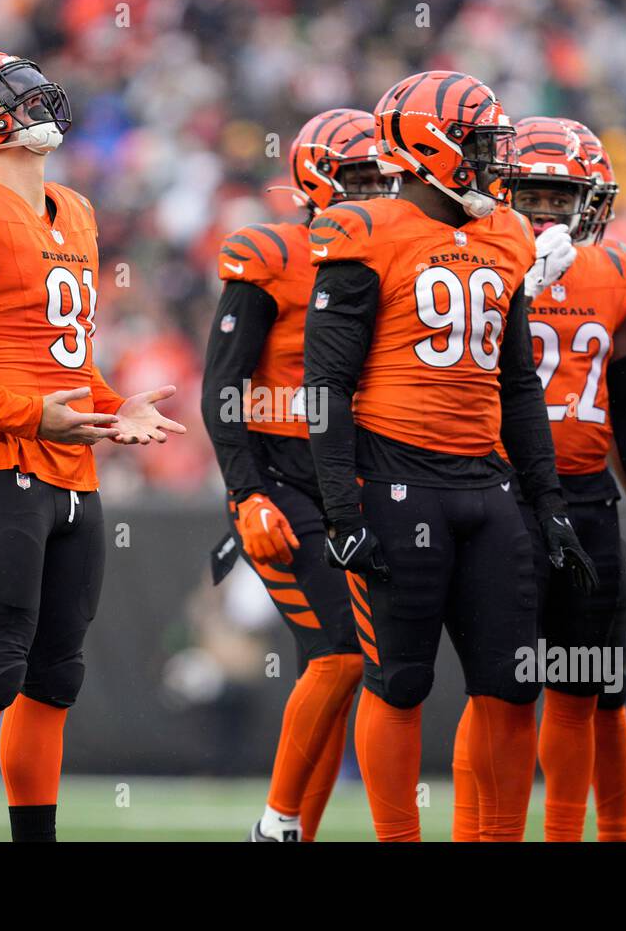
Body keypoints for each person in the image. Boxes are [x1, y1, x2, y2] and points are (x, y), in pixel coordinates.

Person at [0, 49, 184, 843]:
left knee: (54, 679)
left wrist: (111, 402)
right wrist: (30, 416)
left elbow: (60, 359)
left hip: (69, 470)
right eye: (3, 94)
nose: (29, 100)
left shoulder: (75, 211)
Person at [304, 70, 597, 842]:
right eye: (478, 143)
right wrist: (339, 509)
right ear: (429, 145)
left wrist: (550, 504)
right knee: (399, 682)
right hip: (396, 479)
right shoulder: (363, 229)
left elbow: (517, 382)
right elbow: (326, 384)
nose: (494, 160)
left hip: (485, 484)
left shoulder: (504, 235)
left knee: (511, 687)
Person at [201, 108, 396, 841]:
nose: (376, 191)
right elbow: (222, 385)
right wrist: (244, 490)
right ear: (317, 177)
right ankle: (276, 825)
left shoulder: (398, 253)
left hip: (357, 478)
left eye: (385, 177)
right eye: (361, 178)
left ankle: (294, 833)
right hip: (281, 479)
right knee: (340, 653)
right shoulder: (270, 255)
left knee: (343, 669)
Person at [510, 116, 626, 842]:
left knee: (590, 688)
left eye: (559, 196)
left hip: (586, 498)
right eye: (532, 195)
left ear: (592, 201)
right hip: (500, 495)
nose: (545, 212)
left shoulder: (615, 270)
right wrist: (512, 281)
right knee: (505, 690)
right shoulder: (475, 266)